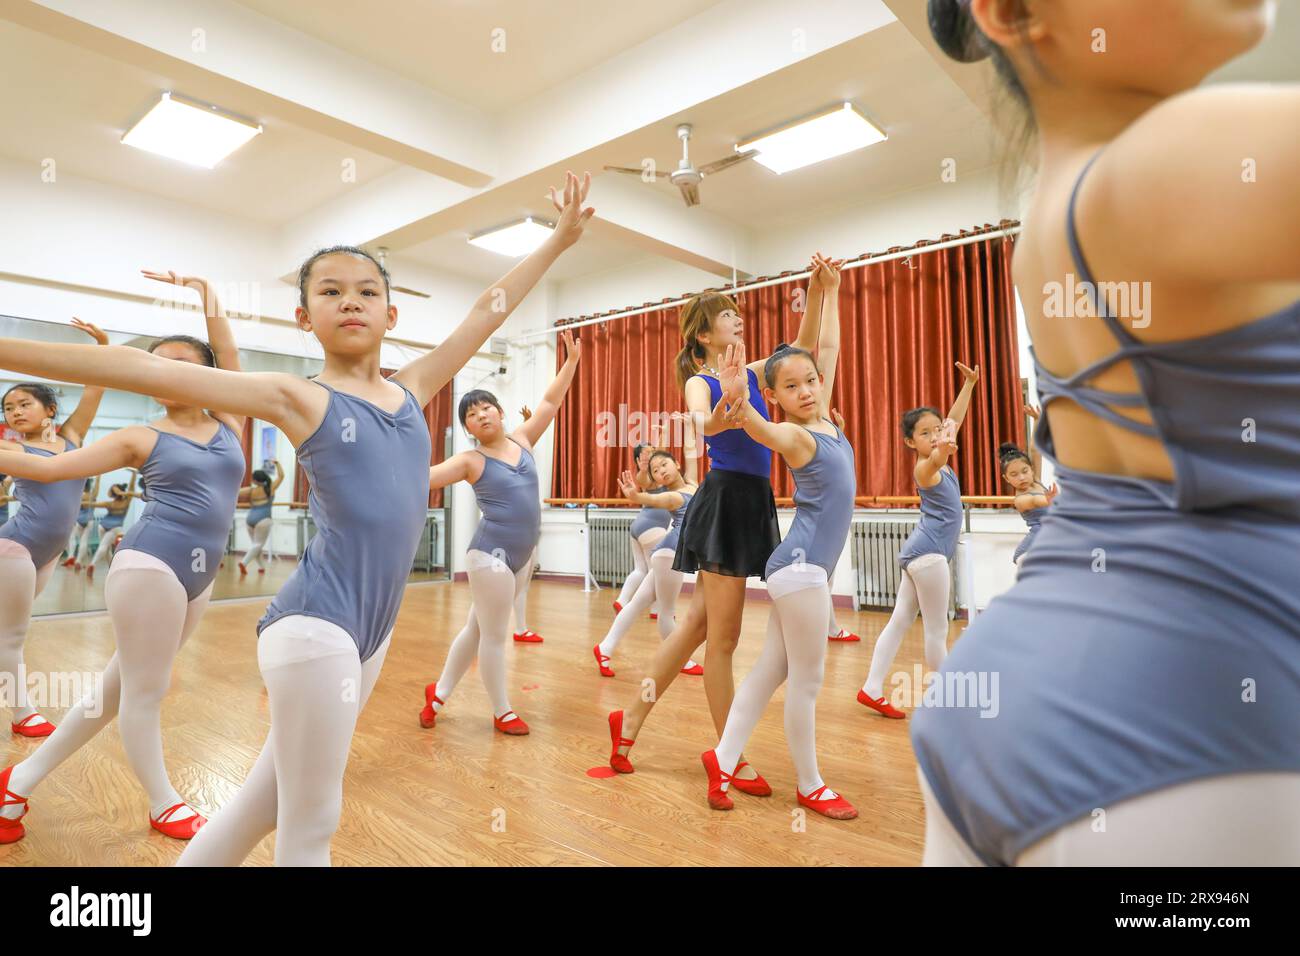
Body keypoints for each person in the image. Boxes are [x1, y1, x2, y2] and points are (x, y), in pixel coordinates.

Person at [0, 170, 596, 863]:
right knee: (313, 822)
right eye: (330, 292)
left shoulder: (416, 388)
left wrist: (557, 241)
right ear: (303, 318)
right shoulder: (297, 396)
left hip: (371, 632)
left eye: (368, 291)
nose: (351, 302)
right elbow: (142, 371)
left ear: (391, 316)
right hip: (317, 625)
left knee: (260, 807)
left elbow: (488, 311)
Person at [912, 0, 1300, 865]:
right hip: (1183, 742)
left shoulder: (1050, 223)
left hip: (1014, 710)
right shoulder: (1174, 158)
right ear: (1012, 14)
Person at [0, 270, 247, 842]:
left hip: (200, 573)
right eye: (153, 365)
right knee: (145, 691)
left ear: (206, 374)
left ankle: (18, 782)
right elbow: (50, 467)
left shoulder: (231, 417)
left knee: (114, 691)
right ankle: (163, 801)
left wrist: (209, 294)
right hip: (149, 565)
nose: (164, 373)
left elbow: (229, 352)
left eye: (181, 363)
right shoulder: (139, 436)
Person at [605, 252, 829, 788]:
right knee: (722, 639)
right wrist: (726, 408)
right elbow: (701, 419)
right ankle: (729, 756)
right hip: (725, 502)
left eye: (737, 313)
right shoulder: (703, 380)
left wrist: (818, 292)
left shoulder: (753, 372)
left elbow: (800, 345)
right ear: (704, 335)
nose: (738, 318)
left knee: (695, 629)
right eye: (727, 315)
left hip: (752, 500)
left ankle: (629, 718)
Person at [701, 253, 859, 820]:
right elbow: (755, 426)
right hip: (801, 570)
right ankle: (811, 784)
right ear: (779, 396)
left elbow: (831, 351)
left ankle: (722, 759)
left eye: (811, 381)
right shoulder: (796, 436)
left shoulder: (826, 420)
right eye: (791, 386)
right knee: (807, 682)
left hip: (795, 569)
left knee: (772, 669)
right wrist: (734, 394)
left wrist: (832, 291)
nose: (807, 390)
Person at [419, 331, 580, 735]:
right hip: (490, 554)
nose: (483, 415)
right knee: (493, 635)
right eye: (473, 415)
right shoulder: (469, 460)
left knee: (475, 629)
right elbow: (424, 480)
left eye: (487, 407)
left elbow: (549, 402)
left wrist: (571, 363)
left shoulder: (523, 439)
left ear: (501, 412)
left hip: (523, 556)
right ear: (469, 428)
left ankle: (438, 695)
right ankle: (502, 710)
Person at [0, 318, 109, 738]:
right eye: (9, 408)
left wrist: (101, 344)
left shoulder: (73, 436)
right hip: (16, 547)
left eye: (23, 403)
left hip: (48, 553)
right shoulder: (11, 447)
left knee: (7, 632)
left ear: (49, 409)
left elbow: (96, 385)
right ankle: (22, 713)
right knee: (12, 636)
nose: (14, 412)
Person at [858, 362, 980, 719]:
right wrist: (942, 445)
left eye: (937, 429)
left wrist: (969, 385)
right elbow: (943, 448)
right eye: (925, 433)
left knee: (899, 622)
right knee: (936, 631)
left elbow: (953, 422)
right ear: (911, 442)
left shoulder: (940, 458)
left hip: (918, 553)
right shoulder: (926, 467)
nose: (936, 436)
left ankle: (871, 688)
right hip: (928, 556)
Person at [594, 411, 702, 677]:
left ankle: (604, 648)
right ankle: (681, 660)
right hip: (670, 553)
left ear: (676, 464)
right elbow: (656, 501)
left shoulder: (693, 482)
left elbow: (691, 451)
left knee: (637, 603)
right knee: (666, 612)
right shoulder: (673, 497)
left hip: (668, 552)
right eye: (655, 471)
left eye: (664, 465)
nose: (660, 471)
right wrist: (636, 495)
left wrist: (689, 427)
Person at [998, 404, 1057, 573]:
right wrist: (1048, 500)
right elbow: (1035, 500)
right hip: (1030, 550)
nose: (1022, 477)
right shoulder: (1021, 499)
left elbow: (1035, 450)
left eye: (1024, 471)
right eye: (1014, 474)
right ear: (1006, 479)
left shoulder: (1036, 480)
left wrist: (1037, 420)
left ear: (1031, 469)